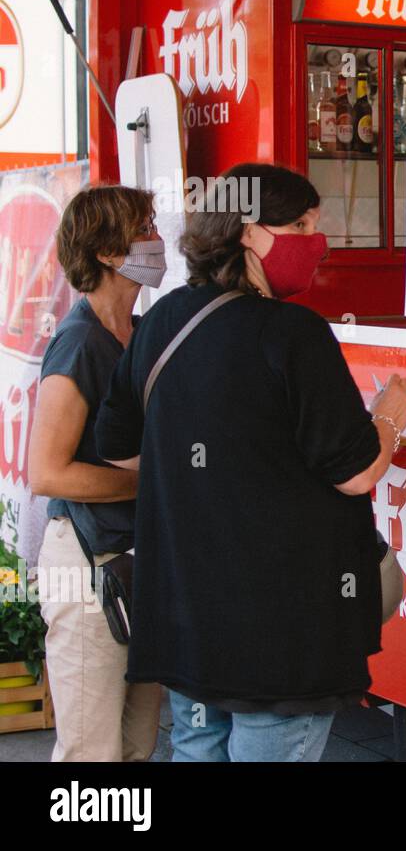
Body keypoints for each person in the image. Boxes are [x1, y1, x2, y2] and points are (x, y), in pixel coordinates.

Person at [94, 164, 406, 762]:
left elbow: (118, 443)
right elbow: (358, 470)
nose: (315, 241)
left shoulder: (164, 319)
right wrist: (391, 416)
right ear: (248, 233)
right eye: (298, 224)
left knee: (196, 749)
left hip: (188, 615)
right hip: (281, 633)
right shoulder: (295, 333)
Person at [30, 185, 165, 761]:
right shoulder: (79, 341)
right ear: (108, 251)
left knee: (136, 746)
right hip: (86, 567)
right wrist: (152, 484)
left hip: (132, 563)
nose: (157, 239)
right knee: (91, 754)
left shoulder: (135, 332)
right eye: (144, 227)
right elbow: (47, 472)